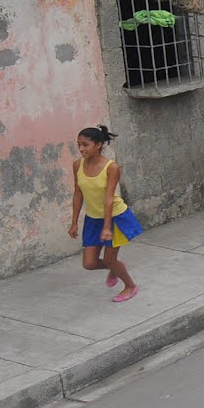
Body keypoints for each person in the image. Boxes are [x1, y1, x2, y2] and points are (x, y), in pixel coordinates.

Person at [69, 125, 142, 302]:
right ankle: (117, 267)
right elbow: (78, 193)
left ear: (99, 145)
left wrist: (107, 227)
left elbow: (109, 199)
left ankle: (130, 286)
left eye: (85, 145)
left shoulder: (111, 168)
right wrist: (74, 222)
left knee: (109, 259)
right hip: (93, 219)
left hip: (115, 217)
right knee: (89, 263)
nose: (81, 149)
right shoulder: (77, 165)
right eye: (78, 144)